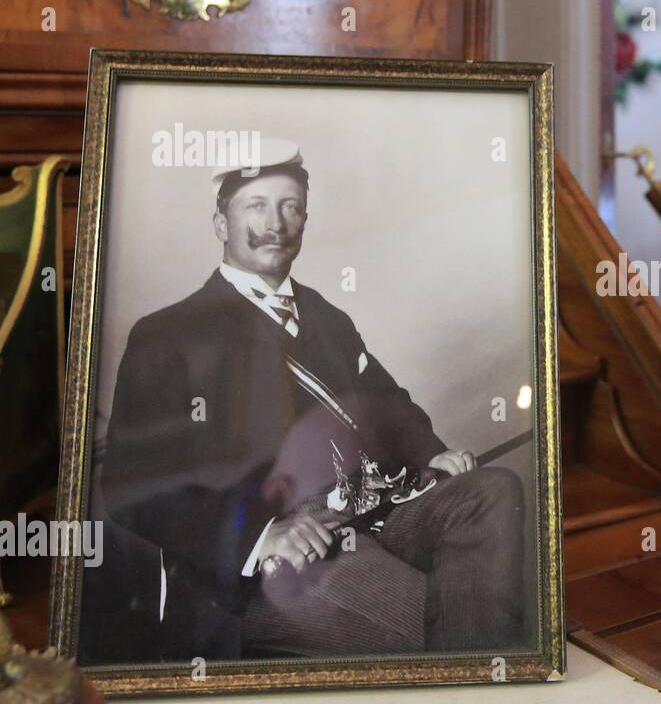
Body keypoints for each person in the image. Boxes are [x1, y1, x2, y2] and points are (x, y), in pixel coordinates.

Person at [81, 140, 526, 663]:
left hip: (371, 509)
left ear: (306, 219)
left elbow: (385, 400)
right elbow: (134, 486)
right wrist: (263, 535)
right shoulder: (168, 333)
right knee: (444, 626)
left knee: (492, 490)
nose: (275, 222)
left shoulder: (326, 316)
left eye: (290, 206)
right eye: (256, 205)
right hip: (273, 562)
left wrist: (430, 451)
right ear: (221, 222)